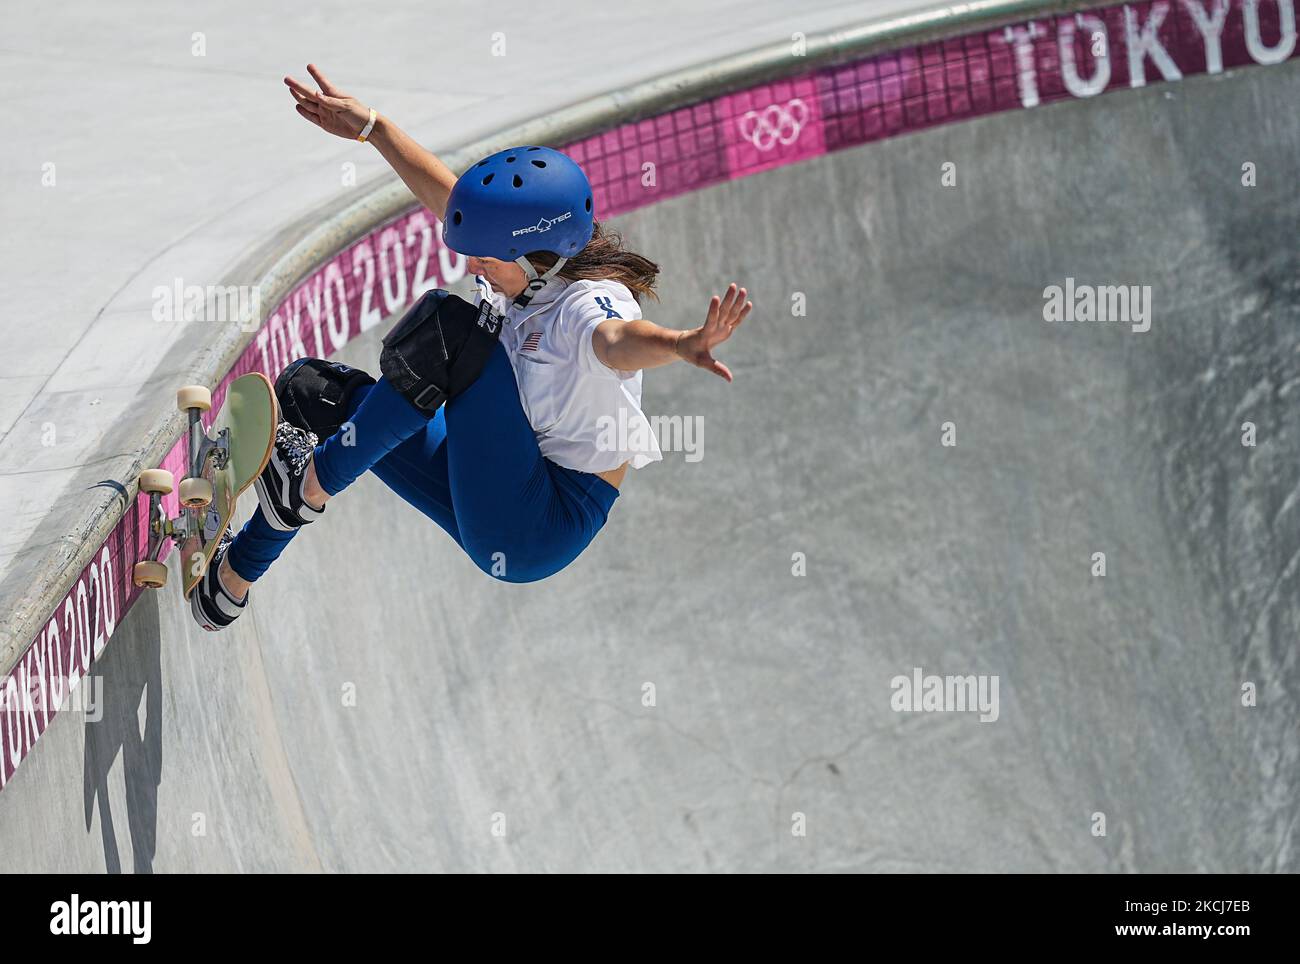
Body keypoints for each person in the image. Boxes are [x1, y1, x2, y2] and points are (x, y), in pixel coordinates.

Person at [191, 65, 752, 631]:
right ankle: (230, 585)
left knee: (455, 329)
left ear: (540, 256)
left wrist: (682, 344)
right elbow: (449, 197)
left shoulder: (584, 304)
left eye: (486, 256)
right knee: (311, 392)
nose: (472, 264)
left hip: (538, 523)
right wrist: (373, 128)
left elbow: (616, 344)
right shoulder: (523, 267)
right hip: (500, 478)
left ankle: (306, 487)